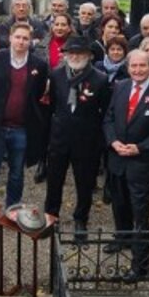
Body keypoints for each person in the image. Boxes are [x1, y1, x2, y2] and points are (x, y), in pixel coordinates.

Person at [102, 49, 149, 283]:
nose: (137, 70)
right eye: (133, 66)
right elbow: (109, 118)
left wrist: (139, 148)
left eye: (142, 66)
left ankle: (141, 265)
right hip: (117, 159)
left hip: (142, 163)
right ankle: (122, 238)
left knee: (140, 215)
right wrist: (113, 141)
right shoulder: (121, 86)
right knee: (119, 205)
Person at [0, 22, 50, 235]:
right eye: (18, 37)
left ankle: (12, 214)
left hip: (21, 130)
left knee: (17, 175)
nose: (21, 42)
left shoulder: (39, 66)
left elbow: (39, 94)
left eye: (26, 38)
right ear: (10, 38)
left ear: (30, 41)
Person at [44, 35, 112, 239]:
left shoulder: (100, 79)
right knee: (54, 179)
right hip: (59, 138)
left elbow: (105, 110)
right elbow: (55, 104)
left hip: (87, 140)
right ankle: (51, 215)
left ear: (89, 56)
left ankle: (81, 218)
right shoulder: (56, 75)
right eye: (71, 52)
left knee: (84, 182)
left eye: (80, 53)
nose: (75, 56)